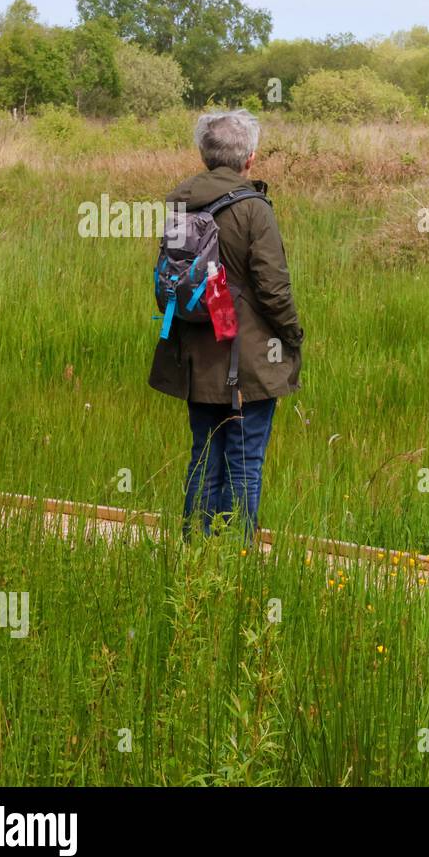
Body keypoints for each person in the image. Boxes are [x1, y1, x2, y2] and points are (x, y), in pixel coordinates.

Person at [148, 109, 304, 544]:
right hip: (247, 361)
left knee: (203, 456)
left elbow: (174, 279)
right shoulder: (255, 209)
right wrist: (292, 337)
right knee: (245, 460)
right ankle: (237, 557)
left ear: (204, 156)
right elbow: (274, 289)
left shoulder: (180, 205)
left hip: (195, 356)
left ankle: (194, 548)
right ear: (250, 159)